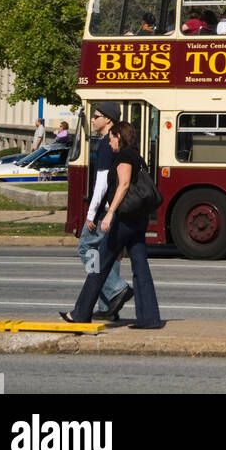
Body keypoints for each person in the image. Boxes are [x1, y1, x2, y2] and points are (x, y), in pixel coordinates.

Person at [62, 122, 163, 329]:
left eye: (111, 137)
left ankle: (80, 314)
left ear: (119, 136)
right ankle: (149, 319)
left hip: (124, 219)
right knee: (140, 266)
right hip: (139, 218)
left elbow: (124, 185)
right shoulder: (138, 156)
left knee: (99, 264)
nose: (109, 141)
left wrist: (109, 213)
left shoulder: (125, 156)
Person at [77, 101, 133, 320]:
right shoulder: (118, 141)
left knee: (86, 250)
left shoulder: (105, 144)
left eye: (97, 115)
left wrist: (91, 213)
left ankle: (115, 289)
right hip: (116, 209)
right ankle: (108, 306)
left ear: (108, 119)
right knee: (109, 255)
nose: (93, 119)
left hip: (103, 211)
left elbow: (101, 183)